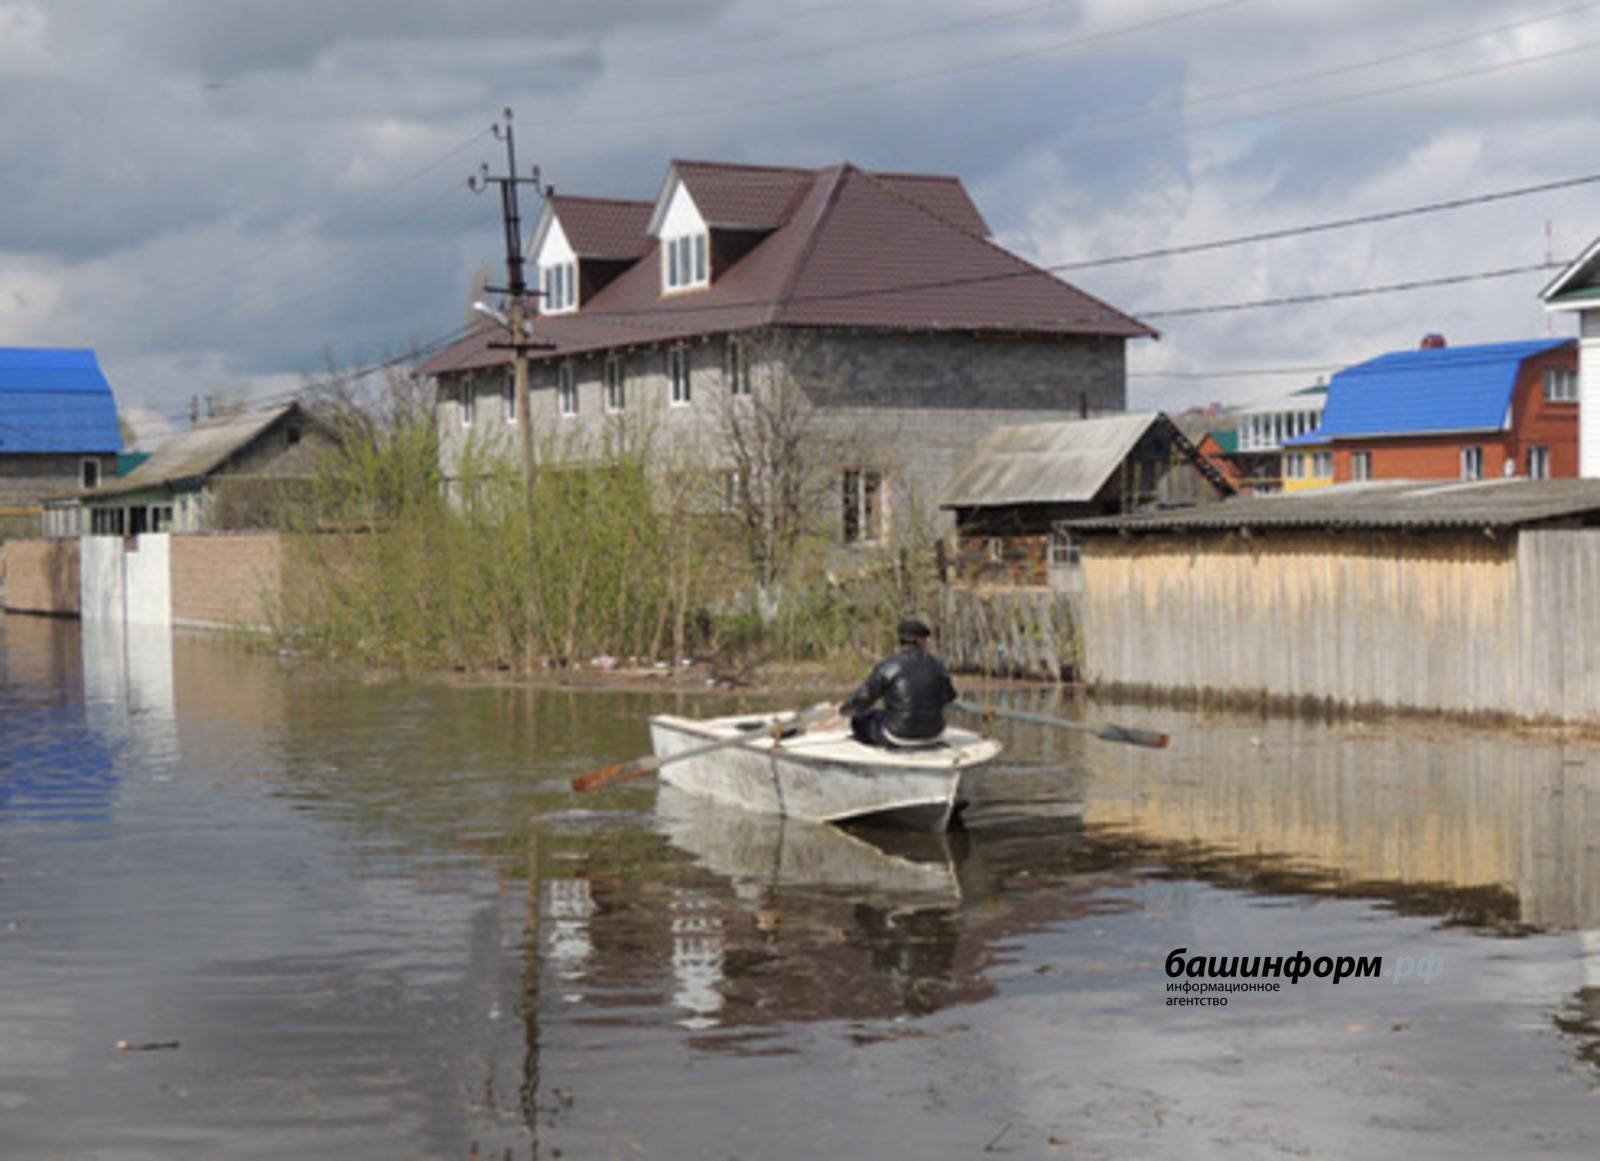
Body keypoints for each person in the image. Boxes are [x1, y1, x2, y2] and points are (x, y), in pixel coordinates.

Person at [839, 618, 957, 748]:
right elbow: (949, 697)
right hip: (934, 733)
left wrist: (844, 710)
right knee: (881, 715)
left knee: (860, 718)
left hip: (897, 736)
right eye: (925, 640)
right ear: (920, 641)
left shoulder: (888, 665)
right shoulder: (938, 666)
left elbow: (864, 697)